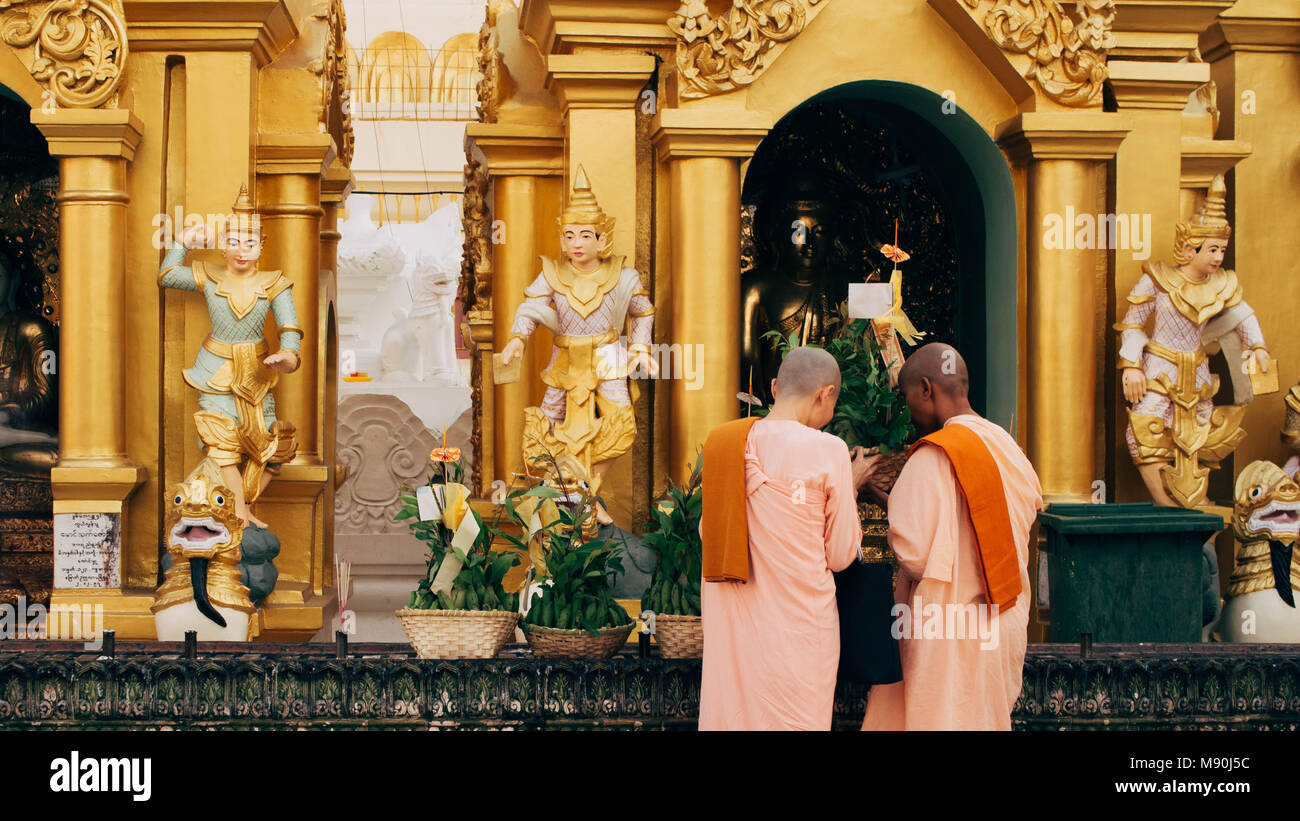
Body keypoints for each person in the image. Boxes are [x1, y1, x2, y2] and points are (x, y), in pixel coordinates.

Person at [859, 343, 1042, 731]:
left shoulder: (934, 456)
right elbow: (979, 517)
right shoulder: (1008, 448)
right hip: (1000, 618)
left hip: (947, 626)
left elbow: (914, 553)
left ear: (926, 388)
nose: (906, 408)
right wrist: (889, 499)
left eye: (907, 395)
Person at [697, 346, 875, 730]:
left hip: (736, 631)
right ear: (824, 394)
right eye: (833, 403)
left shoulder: (724, 446)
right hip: (801, 632)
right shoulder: (830, 451)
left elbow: (708, 532)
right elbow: (842, 554)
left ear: (775, 387)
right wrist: (854, 486)